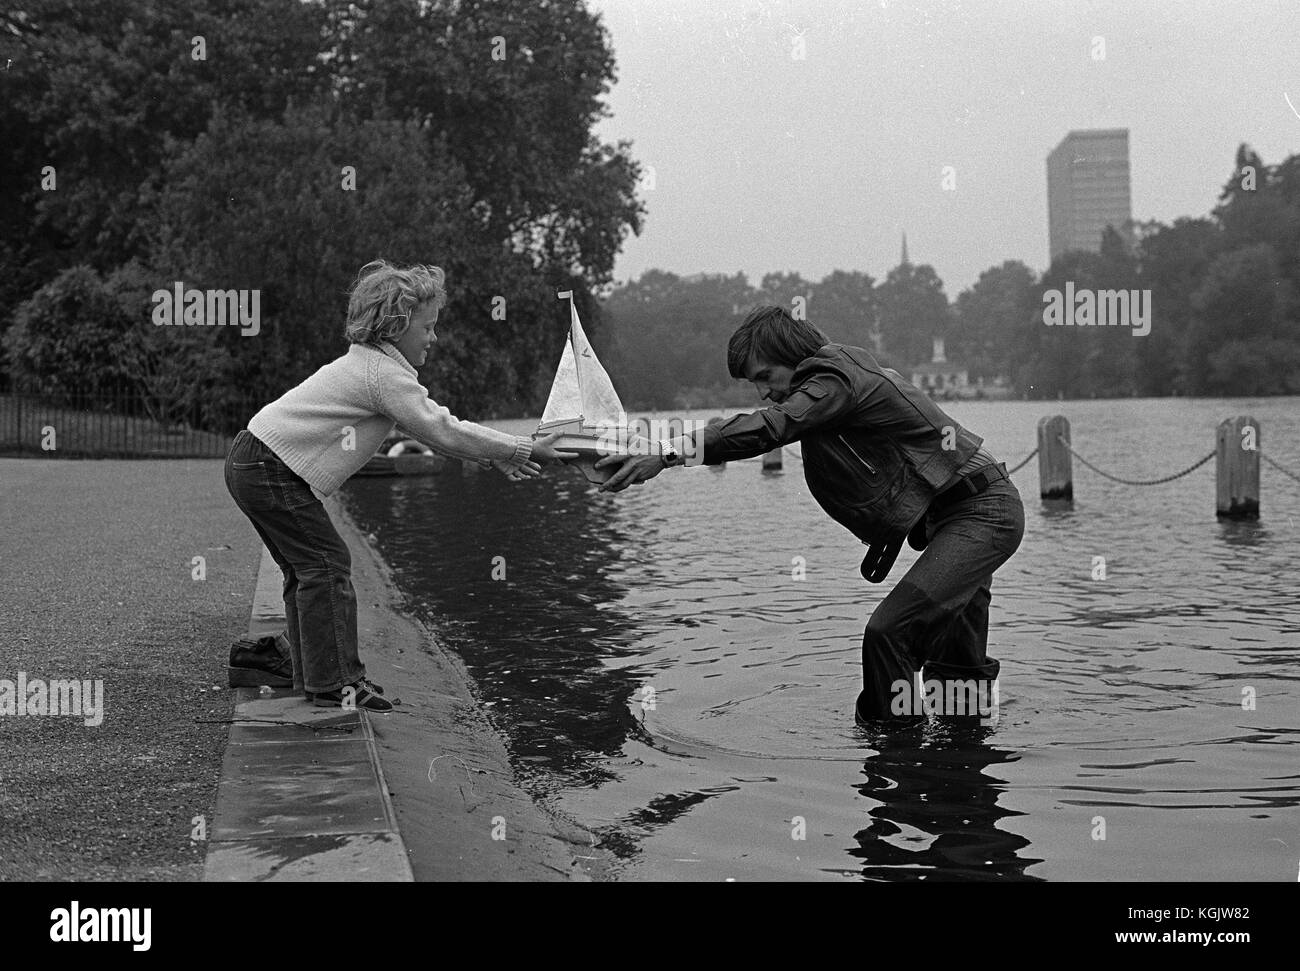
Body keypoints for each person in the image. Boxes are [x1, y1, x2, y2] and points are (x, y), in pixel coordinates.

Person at [595, 306, 1024, 728]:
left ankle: (897, 757)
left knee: (887, 633)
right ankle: (962, 762)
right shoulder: (829, 388)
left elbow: (770, 427)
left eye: (765, 376)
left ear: (794, 355)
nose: (763, 392)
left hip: (982, 513)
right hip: (956, 523)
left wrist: (668, 453)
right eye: (754, 383)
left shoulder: (835, 377)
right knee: (958, 676)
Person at [224, 260, 574, 712]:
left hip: (254, 460)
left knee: (307, 568)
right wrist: (521, 448)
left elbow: (433, 432)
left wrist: (496, 456)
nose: (434, 337)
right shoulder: (382, 374)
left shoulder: (373, 368)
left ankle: (305, 669)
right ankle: (335, 683)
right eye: (427, 327)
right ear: (395, 325)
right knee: (327, 565)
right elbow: (439, 428)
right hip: (269, 468)